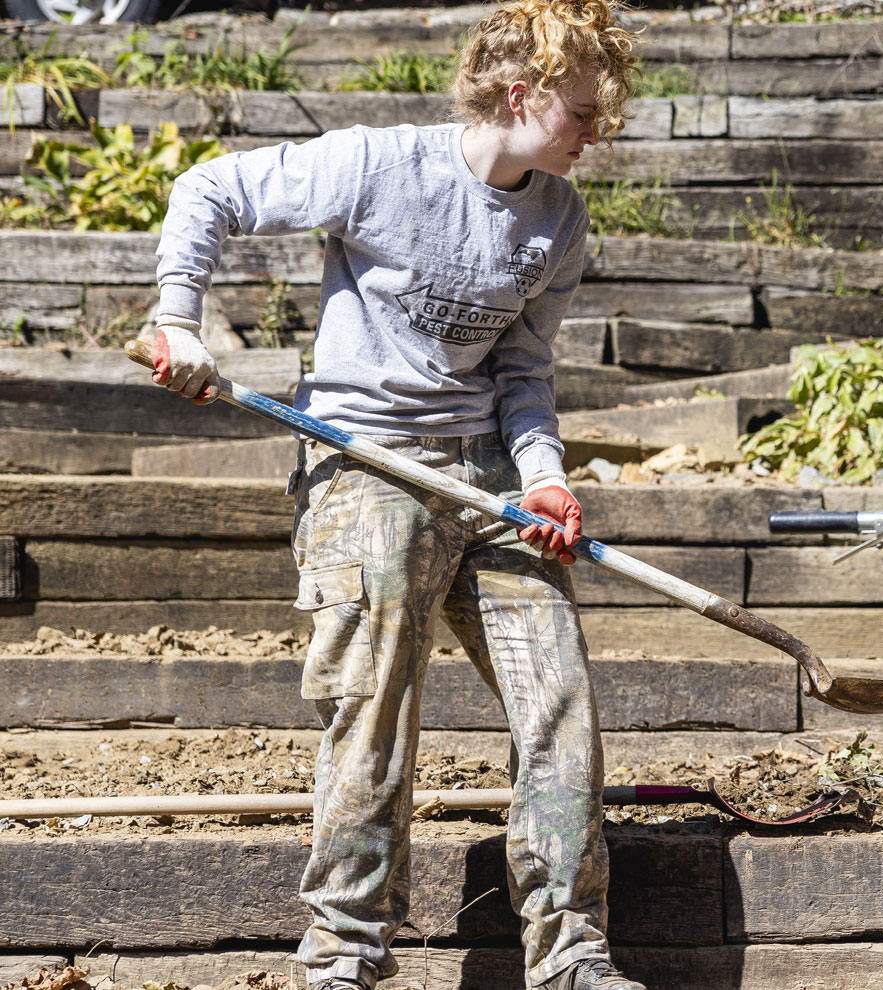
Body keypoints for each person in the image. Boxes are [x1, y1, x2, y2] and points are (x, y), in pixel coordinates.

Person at [147, 2, 644, 987]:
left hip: (492, 485)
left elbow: (523, 374)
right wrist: (177, 317)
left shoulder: (558, 217)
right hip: (366, 463)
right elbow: (209, 190)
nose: (598, 133)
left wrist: (543, 480)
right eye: (585, 113)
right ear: (522, 94)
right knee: (371, 705)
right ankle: (344, 959)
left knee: (561, 703)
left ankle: (572, 957)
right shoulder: (378, 167)